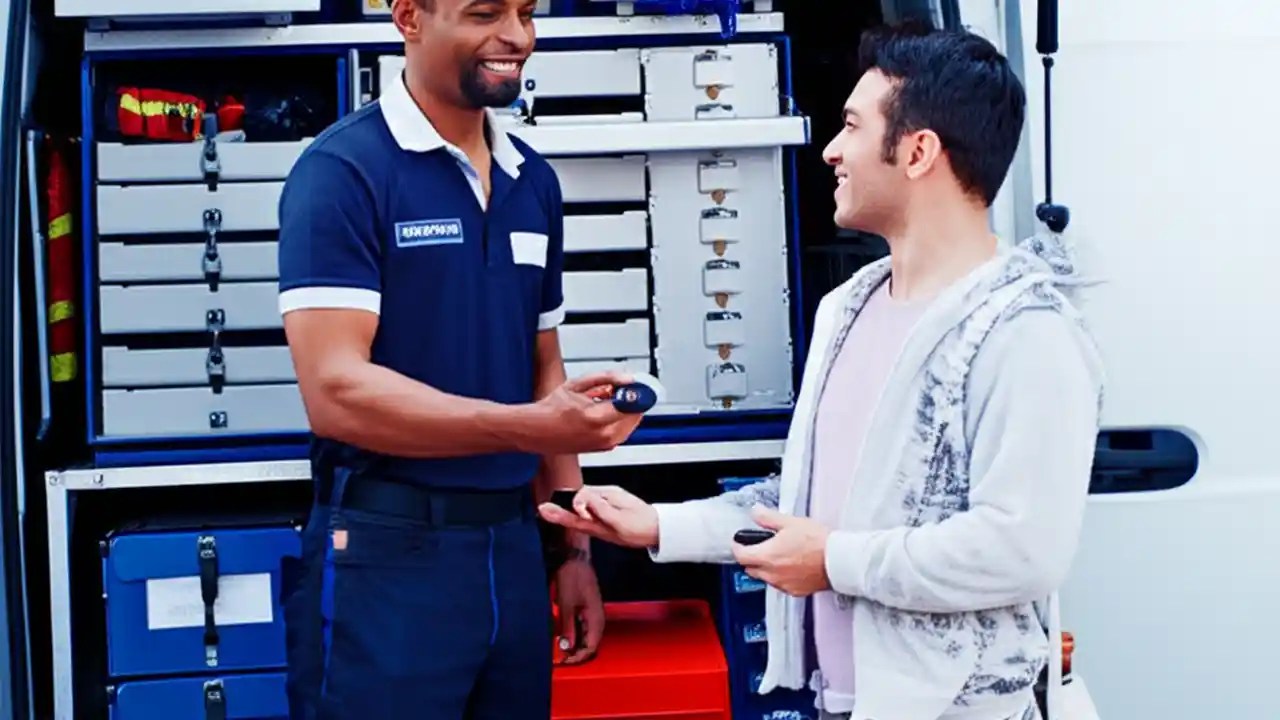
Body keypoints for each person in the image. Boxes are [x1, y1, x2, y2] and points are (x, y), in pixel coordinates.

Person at [539, 22, 1105, 720]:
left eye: (852, 126)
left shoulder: (1027, 334)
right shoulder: (850, 308)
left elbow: (1020, 549)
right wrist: (660, 525)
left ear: (919, 151)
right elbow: (805, 504)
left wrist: (835, 561)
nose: (831, 150)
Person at [274, 0, 645, 717]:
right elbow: (336, 391)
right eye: (484, 13)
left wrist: (572, 549)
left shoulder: (531, 182)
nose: (516, 37)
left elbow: (544, 366)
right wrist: (530, 427)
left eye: (526, 13)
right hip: (387, 558)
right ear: (409, 17)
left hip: (508, 551)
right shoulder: (343, 173)